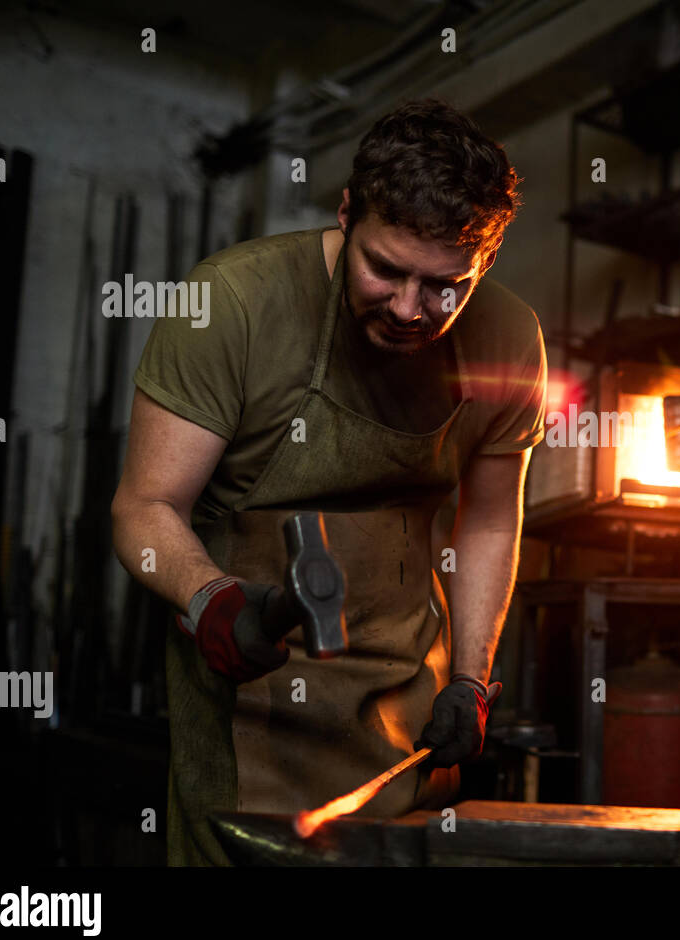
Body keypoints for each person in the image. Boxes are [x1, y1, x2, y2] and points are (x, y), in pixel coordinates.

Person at [110, 98, 546, 865]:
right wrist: (210, 599)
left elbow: (486, 521)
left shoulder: (509, 340)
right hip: (249, 687)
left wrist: (472, 680)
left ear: (485, 261)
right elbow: (144, 507)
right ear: (346, 215)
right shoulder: (232, 304)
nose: (409, 309)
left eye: (445, 285)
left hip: (406, 702)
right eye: (385, 270)